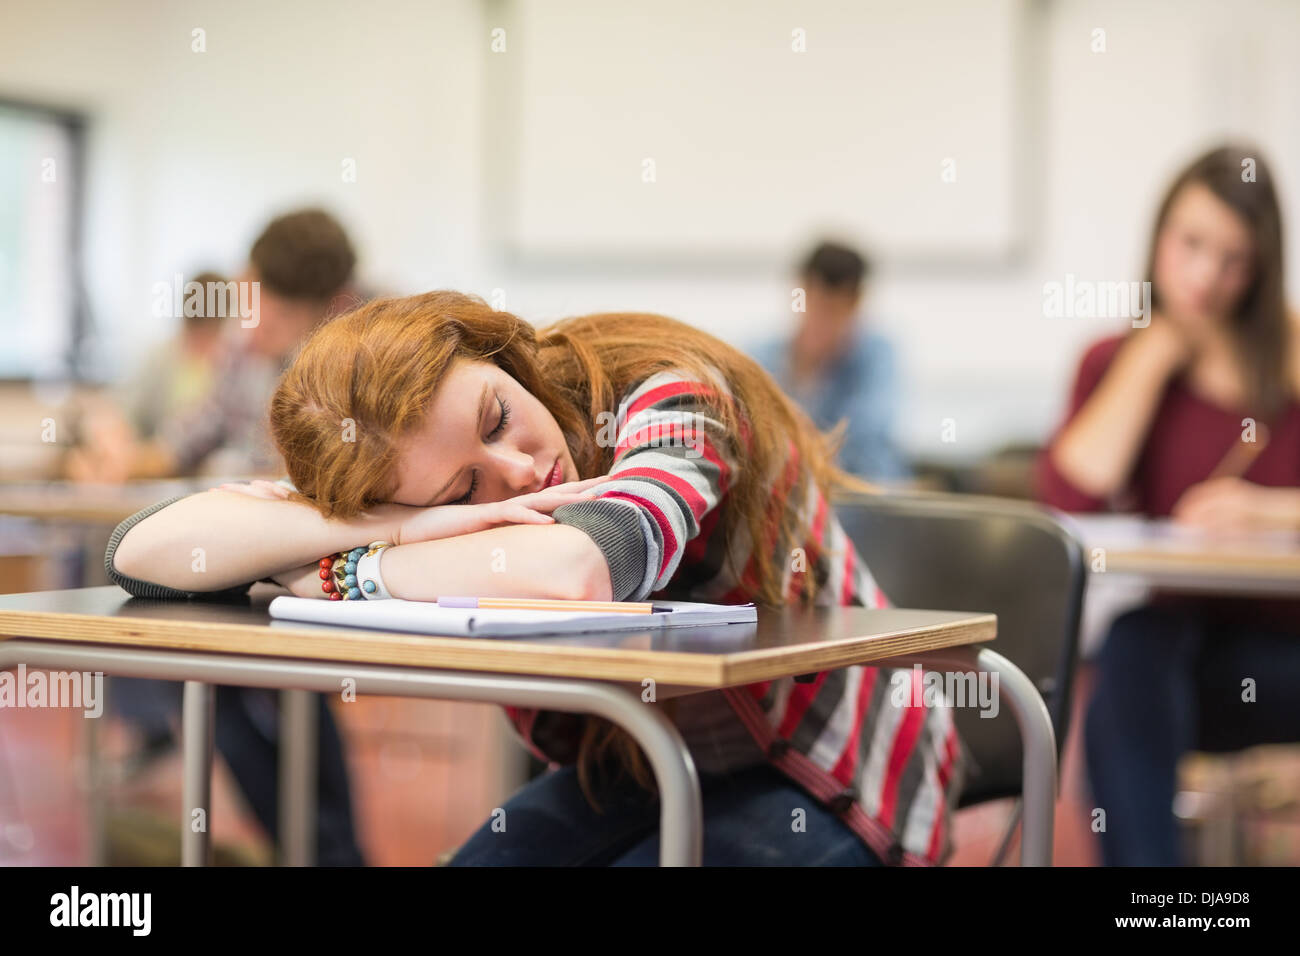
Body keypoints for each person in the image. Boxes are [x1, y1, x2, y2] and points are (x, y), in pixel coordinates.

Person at [105, 290, 966, 866]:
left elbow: (573, 574)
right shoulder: (403, 481)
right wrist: (403, 525)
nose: (516, 473)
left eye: (498, 418)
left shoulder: (668, 393)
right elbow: (144, 550)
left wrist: (342, 568)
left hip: (838, 767)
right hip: (647, 763)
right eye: (461, 487)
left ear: (502, 355)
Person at [1036, 145, 1300, 866]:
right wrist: (1153, 356)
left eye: (1233, 259)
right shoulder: (1117, 361)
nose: (1205, 277)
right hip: (1180, 659)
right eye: (1190, 245)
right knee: (1137, 647)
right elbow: (1068, 498)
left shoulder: (1293, 362)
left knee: (1134, 670)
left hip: (1285, 656)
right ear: (1159, 236)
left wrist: (1270, 511)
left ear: (1262, 266)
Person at [98, 209, 367, 866]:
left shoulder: (352, 358)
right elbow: (190, 436)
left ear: (330, 307)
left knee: (295, 702)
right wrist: (119, 456)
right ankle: (301, 846)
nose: (260, 326)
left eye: (280, 317)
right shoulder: (244, 346)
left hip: (304, 566)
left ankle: (333, 852)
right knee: (204, 692)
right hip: (229, 560)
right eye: (258, 305)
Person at [68, 208, 359, 481]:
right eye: (248, 307)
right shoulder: (241, 354)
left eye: (275, 324)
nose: (253, 332)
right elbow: (185, 441)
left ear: (332, 311)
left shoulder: (351, 373)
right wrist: (117, 465)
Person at [751, 240, 908, 482]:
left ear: (855, 303)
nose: (820, 319)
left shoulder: (875, 357)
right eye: (814, 304)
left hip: (864, 495)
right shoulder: (764, 356)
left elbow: (866, 438)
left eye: (833, 309)